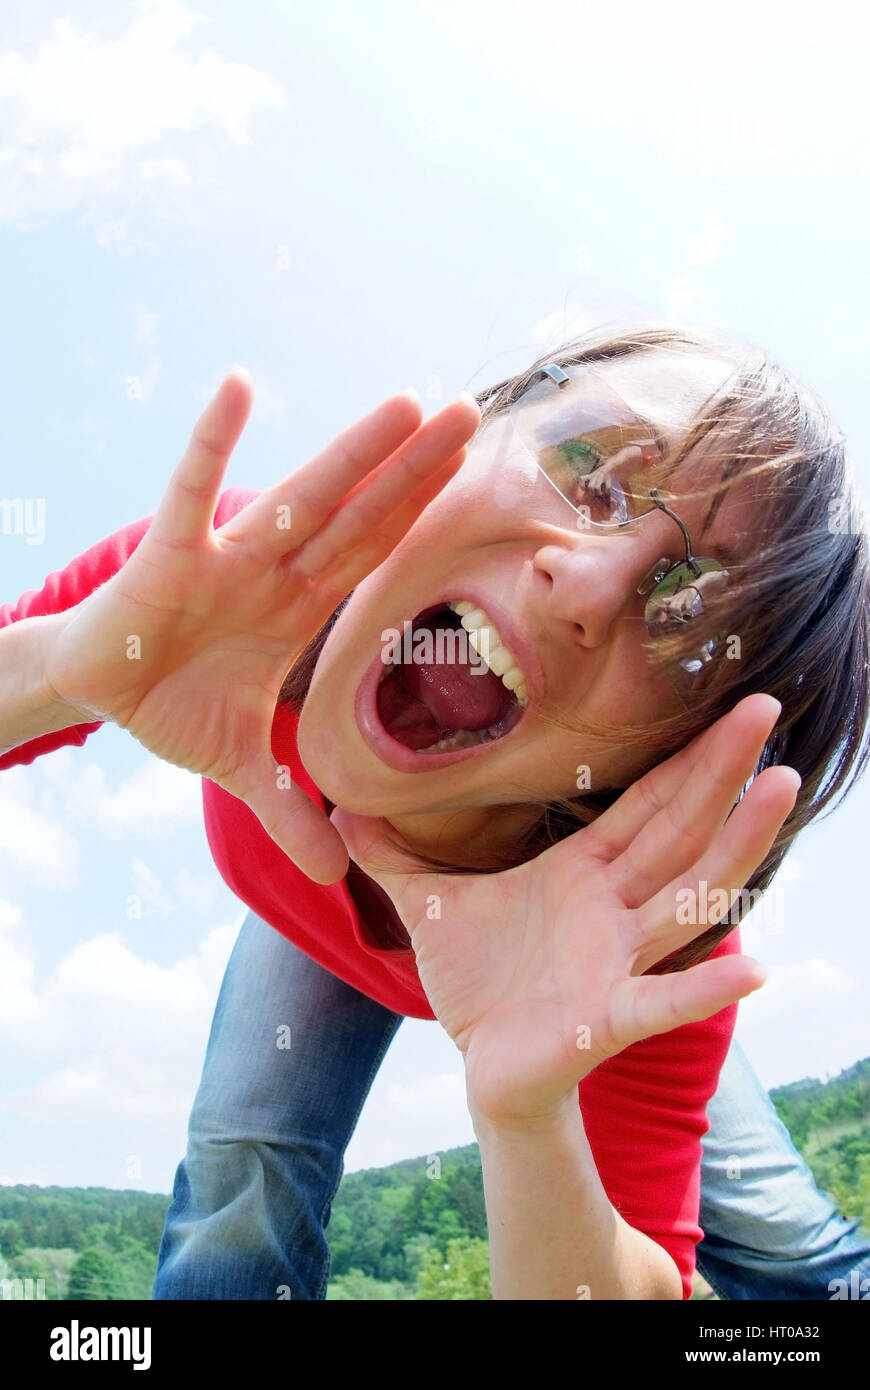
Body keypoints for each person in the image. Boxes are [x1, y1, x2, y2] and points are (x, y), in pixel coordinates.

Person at [1, 323, 868, 1299]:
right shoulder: (228, 583)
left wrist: (530, 1122)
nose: (587, 582)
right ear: (482, 426)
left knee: (783, 1242)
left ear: (663, 758)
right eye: (592, 470)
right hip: (312, 927)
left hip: (570, 968)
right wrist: (62, 662)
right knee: (243, 1165)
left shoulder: (636, 928)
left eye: (689, 618)